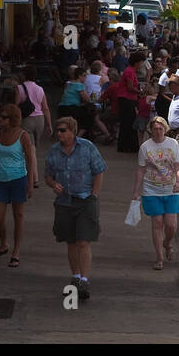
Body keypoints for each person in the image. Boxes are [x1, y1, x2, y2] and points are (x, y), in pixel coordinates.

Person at [45, 115, 107, 301]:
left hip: (85, 200)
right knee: (71, 241)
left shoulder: (87, 147)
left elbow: (99, 170)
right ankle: (76, 276)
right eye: (58, 130)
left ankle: (85, 280)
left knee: (83, 241)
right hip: (65, 202)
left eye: (63, 130)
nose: (59, 134)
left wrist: (94, 195)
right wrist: (53, 184)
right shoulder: (54, 151)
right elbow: (48, 175)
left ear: (72, 131)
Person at [0, 103, 36, 267]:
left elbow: (29, 159)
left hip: (18, 179)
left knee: (18, 216)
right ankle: (4, 244)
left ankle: (16, 252)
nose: (0, 120)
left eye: (4, 117)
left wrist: (31, 183)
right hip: (0, 179)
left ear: (12, 119)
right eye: (0, 117)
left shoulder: (23, 135)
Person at [133, 116, 179, 270]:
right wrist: (136, 190)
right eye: (155, 129)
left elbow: (178, 166)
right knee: (157, 222)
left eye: (161, 128)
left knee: (171, 224)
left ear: (165, 129)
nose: (158, 131)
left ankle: (167, 243)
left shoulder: (173, 144)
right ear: (151, 130)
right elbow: (141, 170)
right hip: (151, 189)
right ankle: (159, 257)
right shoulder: (145, 147)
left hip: (170, 188)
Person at [109, 51, 143, 153]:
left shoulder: (131, 71)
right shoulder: (129, 71)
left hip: (129, 99)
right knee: (128, 123)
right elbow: (130, 87)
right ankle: (127, 145)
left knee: (128, 123)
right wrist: (140, 92)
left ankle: (127, 145)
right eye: (141, 62)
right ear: (136, 62)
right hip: (127, 100)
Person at [15, 65, 52, 148]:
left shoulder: (19, 88)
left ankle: (29, 161)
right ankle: (34, 160)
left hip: (26, 119)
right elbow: (45, 108)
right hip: (40, 119)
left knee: (27, 147)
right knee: (34, 146)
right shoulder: (40, 89)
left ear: (24, 75)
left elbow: (16, 106)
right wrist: (49, 124)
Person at [59, 65, 96, 139]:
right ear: (79, 76)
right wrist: (92, 97)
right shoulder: (79, 85)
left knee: (84, 113)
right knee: (90, 118)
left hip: (62, 108)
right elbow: (87, 100)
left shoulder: (69, 84)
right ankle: (78, 137)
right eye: (84, 76)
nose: (86, 78)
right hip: (71, 108)